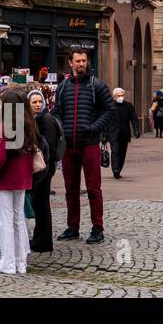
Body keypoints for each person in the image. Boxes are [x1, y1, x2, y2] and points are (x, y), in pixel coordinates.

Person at [52, 49, 113, 244]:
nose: (81, 64)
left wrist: (93, 128)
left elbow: (110, 110)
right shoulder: (62, 87)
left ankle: (98, 228)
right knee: (71, 188)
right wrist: (61, 128)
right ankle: (73, 227)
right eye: (78, 61)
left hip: (89, 144)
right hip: (68, 145)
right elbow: (57, 111)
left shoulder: (97, 85)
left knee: (94, 188)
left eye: (84, 61)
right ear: (70, 63)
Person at [0, 88, 38, 275]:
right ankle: (20, 262)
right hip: (22, 178)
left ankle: (8, 262)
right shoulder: (28, 124)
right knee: (18, 220)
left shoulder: (4, 126)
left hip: (5, 178)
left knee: (6, 221)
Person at [27, 87, 63, 253]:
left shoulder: (46, 119)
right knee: (39, 204)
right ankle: (40, 237)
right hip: (41, 168)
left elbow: (48, 147)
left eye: (40, 101)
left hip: (45, 168)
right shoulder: (34, 119)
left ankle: (43, 241)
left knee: (42, 204)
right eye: (34, 102)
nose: (37, 104)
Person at [106, 88, 141, 179]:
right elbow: (105, 121)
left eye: (122, 95)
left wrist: (136, 130)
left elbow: (134, 119)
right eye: (118, 96)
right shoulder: (109, 106)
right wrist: (104, 135)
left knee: (122, 153)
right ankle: (115, 170)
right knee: (115, 151)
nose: (120, 97)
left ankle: (119, 169)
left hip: (124, 133)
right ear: (114, 96)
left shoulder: (128, 106)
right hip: (113, 133)